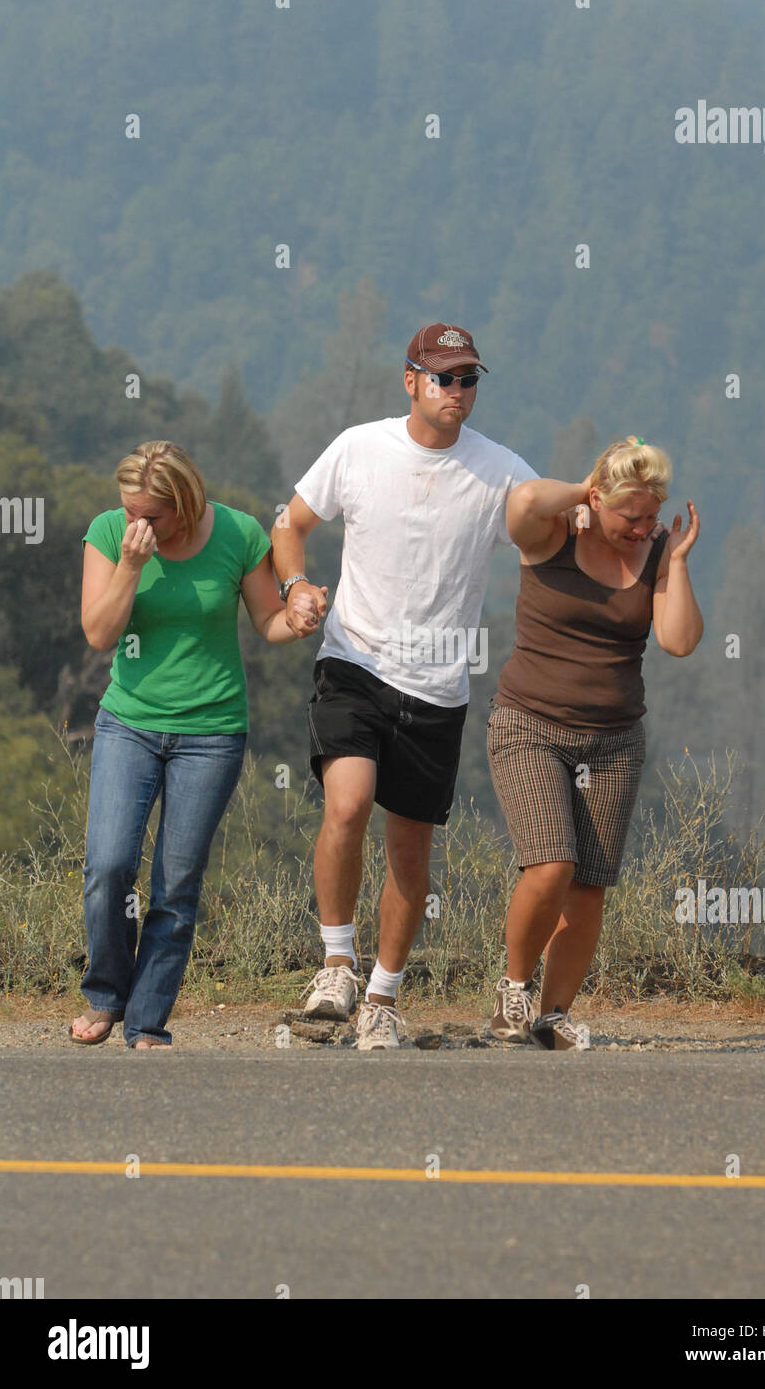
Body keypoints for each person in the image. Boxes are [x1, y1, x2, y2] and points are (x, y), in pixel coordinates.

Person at [271, 323, 537, 1049]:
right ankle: (336, 964)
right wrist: (296, 587)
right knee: (348, 802)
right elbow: (288, 524)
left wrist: (615, 509)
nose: (457, 392)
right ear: (410, 378)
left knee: (410, 855)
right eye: (443, 377)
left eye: (469, 379)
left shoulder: (502, 470)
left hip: (437, 687)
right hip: (352, 661)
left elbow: (553, 530)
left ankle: (383, 995)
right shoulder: (359, 447)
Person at [70, 440, 303, 1049]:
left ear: (186, 503)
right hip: (129, 723)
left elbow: (268, 621)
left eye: (151, 515)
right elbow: (98, 633)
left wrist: (298, 617)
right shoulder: (108, 533)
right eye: (130, 510)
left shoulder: (237, 533)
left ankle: (147, 1019)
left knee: (176, 883)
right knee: (109, 865)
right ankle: (105, 994)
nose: (137, 524)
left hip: (212, 732)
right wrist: (127, 564)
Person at [487, 435, 702, 1048]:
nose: (641, 528)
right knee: (551, 862)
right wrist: (581, 490)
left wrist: (677, 560)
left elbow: (679, 641)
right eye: (628, 515)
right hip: (530, 725)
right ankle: (513, 989)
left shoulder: (658, 550)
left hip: (613, 740)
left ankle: (553, 1012)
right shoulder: (554, 532)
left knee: (589, 883)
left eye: (651, 517)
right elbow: (522, 500)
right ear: (598, 498)